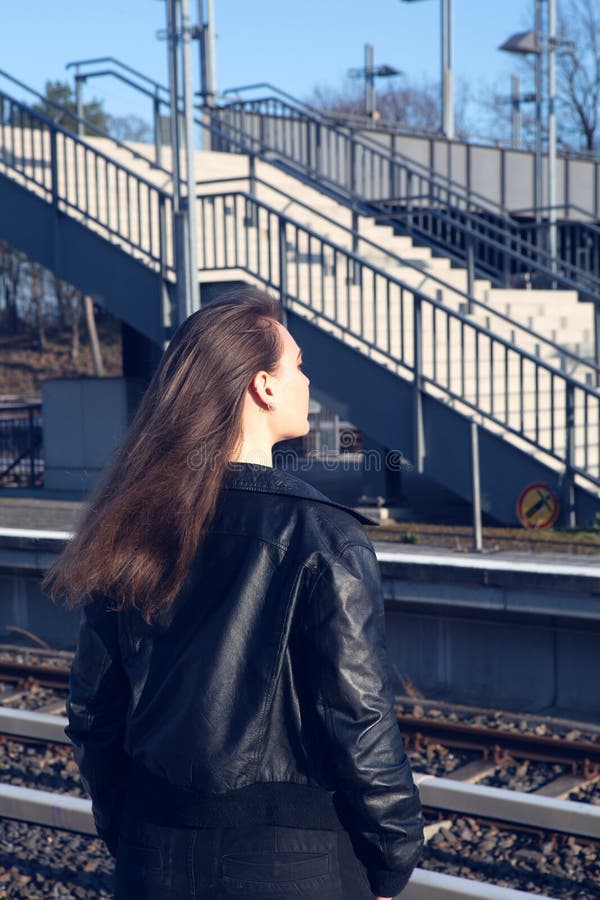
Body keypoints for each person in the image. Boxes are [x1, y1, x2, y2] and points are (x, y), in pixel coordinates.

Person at [43, 286, 424, 899]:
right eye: (296, 364)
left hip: (154, 854)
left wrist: (131, 827)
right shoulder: (323, 538)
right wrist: (394, 856)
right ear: (262, 387)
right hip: (293, 863)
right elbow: (359, 719)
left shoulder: (130, 525)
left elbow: (94, 710)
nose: (306, 379)